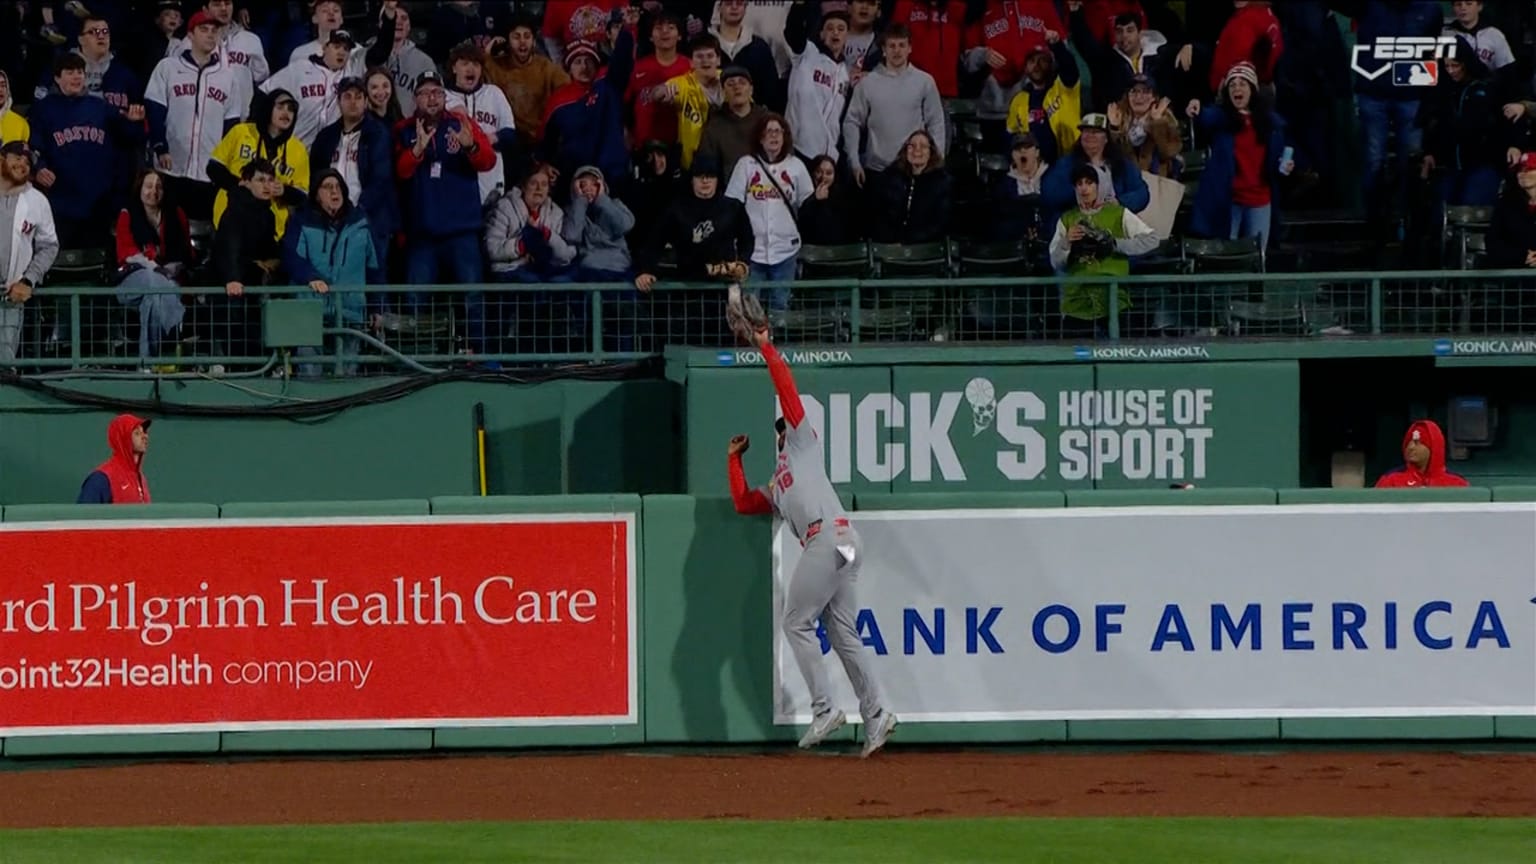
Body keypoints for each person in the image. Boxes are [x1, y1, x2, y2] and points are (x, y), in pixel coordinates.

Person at [726, 324, 897, 759]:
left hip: (830, 539)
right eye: (781, 425)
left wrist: (766, 347)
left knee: (795, 623)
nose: (784, 427)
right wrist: (734, 462)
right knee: (843, 634)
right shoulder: (779, 484)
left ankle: (825, 710)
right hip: (844, 544)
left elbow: (787, 388)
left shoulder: (803, 443)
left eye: (786, 422)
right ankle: (877, 714)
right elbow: (745, 504)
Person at [1, 140, 59, 365]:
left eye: (27, 162)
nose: (23, 164)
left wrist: (28, 280)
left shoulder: (37, 201)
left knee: (4, 368)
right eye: (17, 158)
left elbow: (49, 246)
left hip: (9, 297)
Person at [76, 414, 152, 504]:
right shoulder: (101, 478)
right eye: (137, 433)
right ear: (123, 438)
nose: (145, 436)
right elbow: (84, 515)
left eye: (145, 432)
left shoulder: (141, 479)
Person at [1374, 419, 1469, 488]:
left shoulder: (1457, 483)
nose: (1410, 447)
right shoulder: (1391, 480)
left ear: (1432, 447)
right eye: (1408, 443)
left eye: (1417, 443)